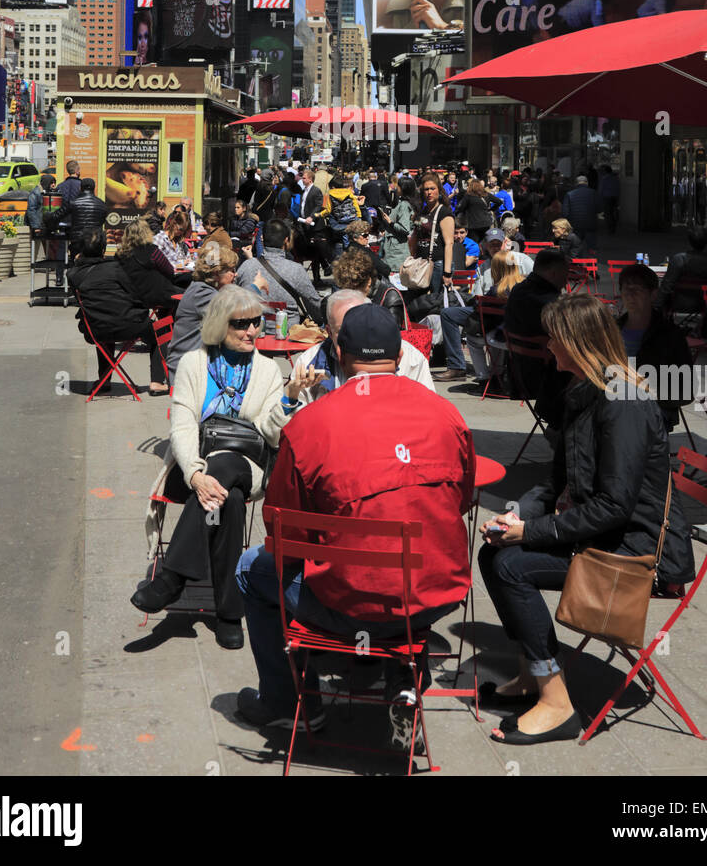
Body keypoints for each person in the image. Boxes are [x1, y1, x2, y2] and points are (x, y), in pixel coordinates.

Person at [234, 304, 476, 741]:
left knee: (251, 569)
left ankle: (290, 704)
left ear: (340, 355)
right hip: (436, 593)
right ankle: (401, 675)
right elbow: (460, 500)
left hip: (350, 601)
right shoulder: (447, 415)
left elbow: (283, 531)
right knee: (393, 569)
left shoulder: (310, 423)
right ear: (400, 357)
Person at [480, 294, 695, 746]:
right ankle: (531, 674)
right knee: (493, 552)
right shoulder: (585, 392)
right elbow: (556, 481)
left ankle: (557, 703)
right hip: (604, 534)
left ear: (578, 343)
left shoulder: (624, 401)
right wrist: (515, 516)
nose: (547, 347)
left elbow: (615, 505)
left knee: (509, 566)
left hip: (636, 554)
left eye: (554, 339)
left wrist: (532, 533)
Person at [135, 286, 287, 649]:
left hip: (249, 464)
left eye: (256, 322)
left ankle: (172, 577)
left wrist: (290, 400)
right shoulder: (193, 364)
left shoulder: (268, 370)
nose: (252, 330)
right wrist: (196, 475)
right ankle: (229, 613)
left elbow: (272, 434)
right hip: (196, 466)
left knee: (230, 465)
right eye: (242, 324)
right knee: (228, 502)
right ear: (220, 325)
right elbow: (183, 427)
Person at [286, 288, 434, 408]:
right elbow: (285, 431)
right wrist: (292, 396)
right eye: (343, 331)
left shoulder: (412, 358)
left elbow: (429, 411)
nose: (352, 338)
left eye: (360, 329)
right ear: (329, 332)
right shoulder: (309, 362)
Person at [68, 230, 168, 395]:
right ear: (103, 250)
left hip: (95, 329)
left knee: (102, 322)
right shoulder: (118, 268)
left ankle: (104, 380)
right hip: (130, 326)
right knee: (160, 330)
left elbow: (82, 302)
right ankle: (157, 382)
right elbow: (138, 294)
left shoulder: (73, 274)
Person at [616, 262, 695, 432]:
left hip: (654, 410)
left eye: (636, 290)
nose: (630, 296)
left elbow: (686, 390)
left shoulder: (670, 335)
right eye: (625, 290)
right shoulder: (612, 331)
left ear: (653, 295)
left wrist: (651, 394)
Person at [436, 246, 528, 389]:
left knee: (476, 338)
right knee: (492, 332)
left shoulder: (496, 290)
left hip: (503, 337)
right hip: (524, 337)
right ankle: (496, 373)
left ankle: (484, 378)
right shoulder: (525, 286)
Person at [166, 242, 240, 382]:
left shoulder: (205, 289)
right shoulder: (202, 293)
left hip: (201, 362)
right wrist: (255, 287)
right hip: (188, 370)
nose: (235, 274)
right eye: (231, 270)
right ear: (216, 273)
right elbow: (234, 314)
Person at [503, 249, 570, 400]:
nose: (567, 280)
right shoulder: (553, 303)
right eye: (565, 274)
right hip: (549, 377)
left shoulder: (517, 290)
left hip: (518, 372)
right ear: (553, 273)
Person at [236, 218, 324, 328]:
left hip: (251, 332)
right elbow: (313, 304)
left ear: (262, 239)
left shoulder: (246, 266)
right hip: (287, 334)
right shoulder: (295, 270)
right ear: (286, 240)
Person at [656, 226, 707, 328]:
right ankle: (701, 332)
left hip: (680, 303)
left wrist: (656, 306)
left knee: (664, 293)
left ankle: (668, 328)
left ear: (689, 241)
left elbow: (666, 286)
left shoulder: (678, 259)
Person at [406, 172, 455, 315]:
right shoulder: (423, 211)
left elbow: (449, 243)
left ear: (439, 190)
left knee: (433, 302)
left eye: (432, 189)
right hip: (420, 263)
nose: (429, 192)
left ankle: (433, 332)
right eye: (426, 189)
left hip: (437, 264)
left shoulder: (444, 213)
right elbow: (415, 236)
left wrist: (447, 273)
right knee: (416, 301)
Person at [114, 218, 178, 321]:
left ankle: (163, 324)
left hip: (131, 296)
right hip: (156, 295)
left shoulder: (120, 255)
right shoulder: (152, 251)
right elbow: (169, 271)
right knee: (187, 296)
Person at [333, 245, 405, 328]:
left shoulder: (390, 298)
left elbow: (390, 333)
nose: (351, 293)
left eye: (354, 289)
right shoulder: (354, 293)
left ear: (369, 282)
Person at [377, 175, 419, 273]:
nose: (396, 188)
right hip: (397, 248)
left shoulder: (404, 205)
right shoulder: (407, 203)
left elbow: (404, 228)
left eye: (398, 186)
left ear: (403, 189)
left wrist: (390, 222)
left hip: (397, 251)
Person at [68, 177, 108, 260]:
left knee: (76, 267)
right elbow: (102, 221)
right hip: (95, 244)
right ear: (94, 188)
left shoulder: (73, 202)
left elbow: (57, 216)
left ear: (80, 188)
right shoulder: (102, 204)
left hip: (77, 243)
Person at [561, 175, 602, 250]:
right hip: (590, 224)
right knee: (591, 247)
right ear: (587, 183)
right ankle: (591, 259)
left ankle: (577, 260)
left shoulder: (569, 194)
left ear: (576, 183)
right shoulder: (593, 193)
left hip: (575, 225)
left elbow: (565, 213)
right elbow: (599, 209)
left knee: (575, 247)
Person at [455, 178, 496, 245]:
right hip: (486, 223)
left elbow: (461, 208)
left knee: (473, 243)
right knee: (485, 243)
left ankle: (475, 255)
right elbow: (499, 202)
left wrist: (458, 213)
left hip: (473, 224)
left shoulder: (468, 196)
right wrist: (490, 209)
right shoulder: (486, 194)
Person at [154, 206, 195, 272]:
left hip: (181, 276)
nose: (182, 233)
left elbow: (188, 259)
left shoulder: (181, 242)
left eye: (184, 231)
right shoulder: (160, 239)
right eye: (180, 229)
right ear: (174, 224)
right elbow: (157, 264)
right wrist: (180, 265)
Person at [598, 164, 620, 234]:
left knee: (608, 213)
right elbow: (618, 188)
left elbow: (601, 189)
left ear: (605, 171)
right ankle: (613, 227)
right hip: (615, 197)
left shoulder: (604, 179)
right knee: (613, 212)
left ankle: (610, 228)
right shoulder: (616, 178)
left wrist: (599, 197)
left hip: (607, 197)